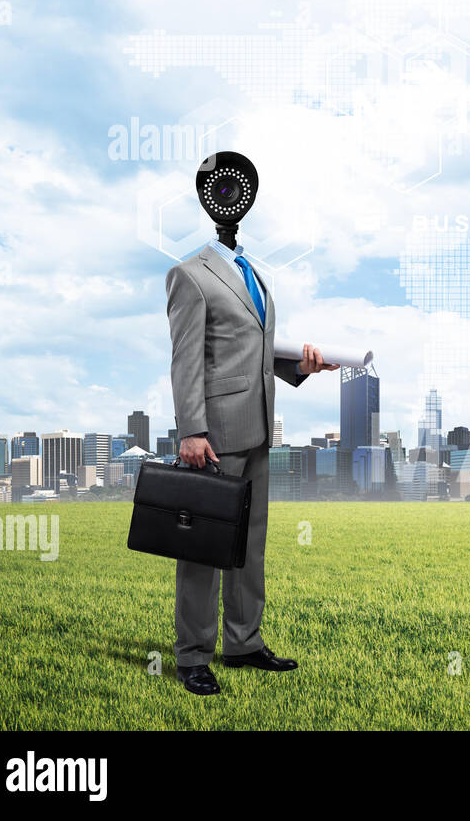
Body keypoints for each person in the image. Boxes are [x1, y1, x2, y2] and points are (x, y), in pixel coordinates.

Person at [165, 237, 337, 696]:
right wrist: (191, 430)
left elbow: (250, 350)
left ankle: (242, 643)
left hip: (257, 427)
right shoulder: (189, 274)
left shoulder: (251, 272)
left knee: (249, 546)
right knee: (203, 550)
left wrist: (298, 367)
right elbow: (185, 358)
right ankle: (193, 657)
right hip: (214, 434)